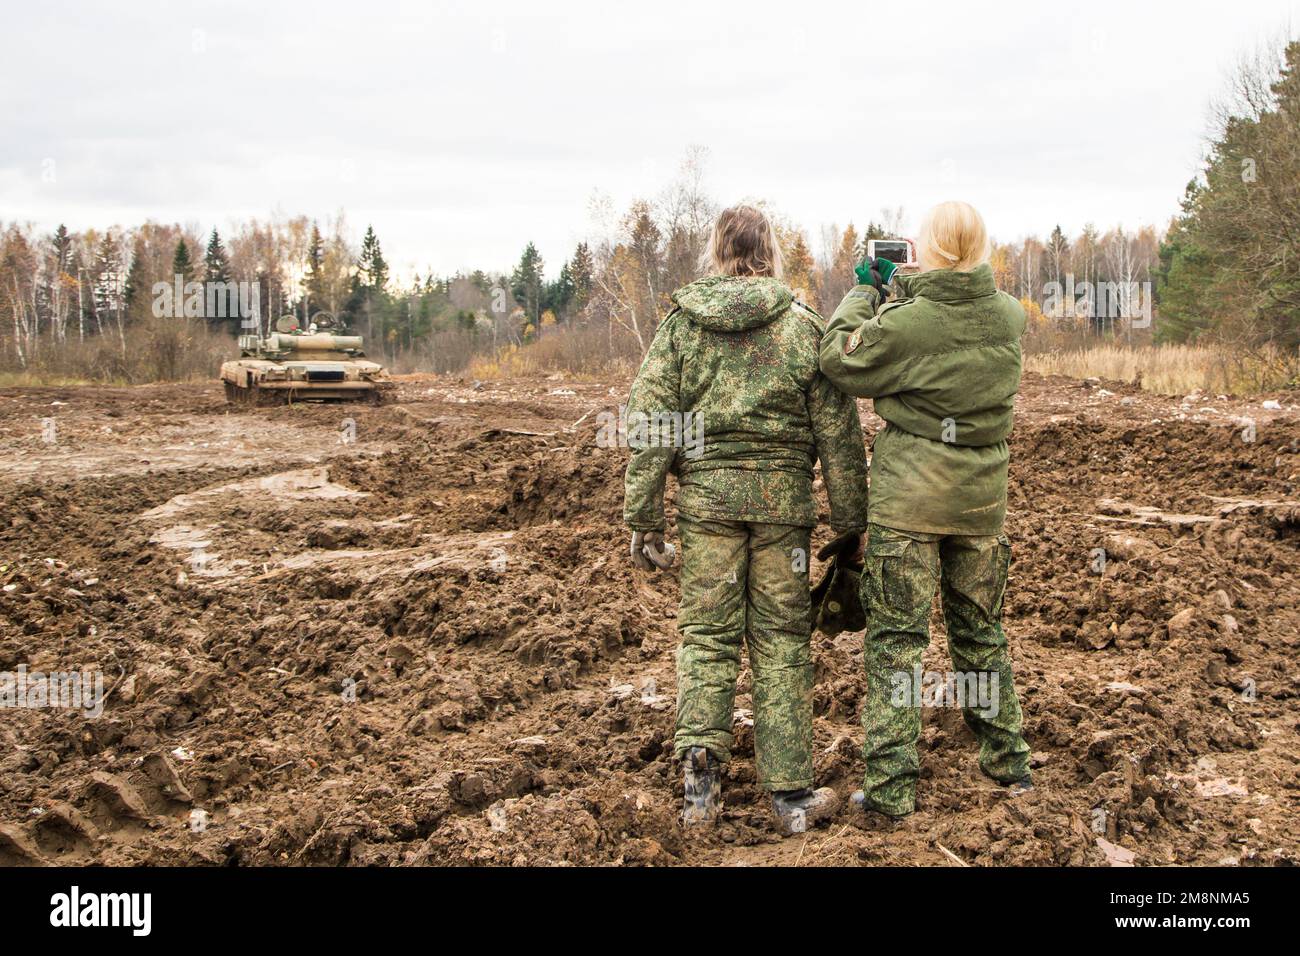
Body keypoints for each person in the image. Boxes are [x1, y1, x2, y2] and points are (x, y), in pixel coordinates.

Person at [623, 204, 869, 834]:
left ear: (716, 249)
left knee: (706, 637)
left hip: (706, 511)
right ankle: (790, 797)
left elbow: (652, 424)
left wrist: (644, 515)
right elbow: (838, 437)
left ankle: (700, 783)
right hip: (782, 514)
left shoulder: (682, 328)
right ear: (771, 252)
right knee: (782, 642)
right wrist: (852, 526)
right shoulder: (803, 328)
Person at [818, 201, 1033, 821]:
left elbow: (839, 357)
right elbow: (956, 316)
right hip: (980, 508)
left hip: (910, 506)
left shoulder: (909, 323)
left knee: (897, 644)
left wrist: (867, 290)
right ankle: (1009, 762)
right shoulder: (1009, 318)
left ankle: (889, 791)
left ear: (928, 249)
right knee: (981, 631)